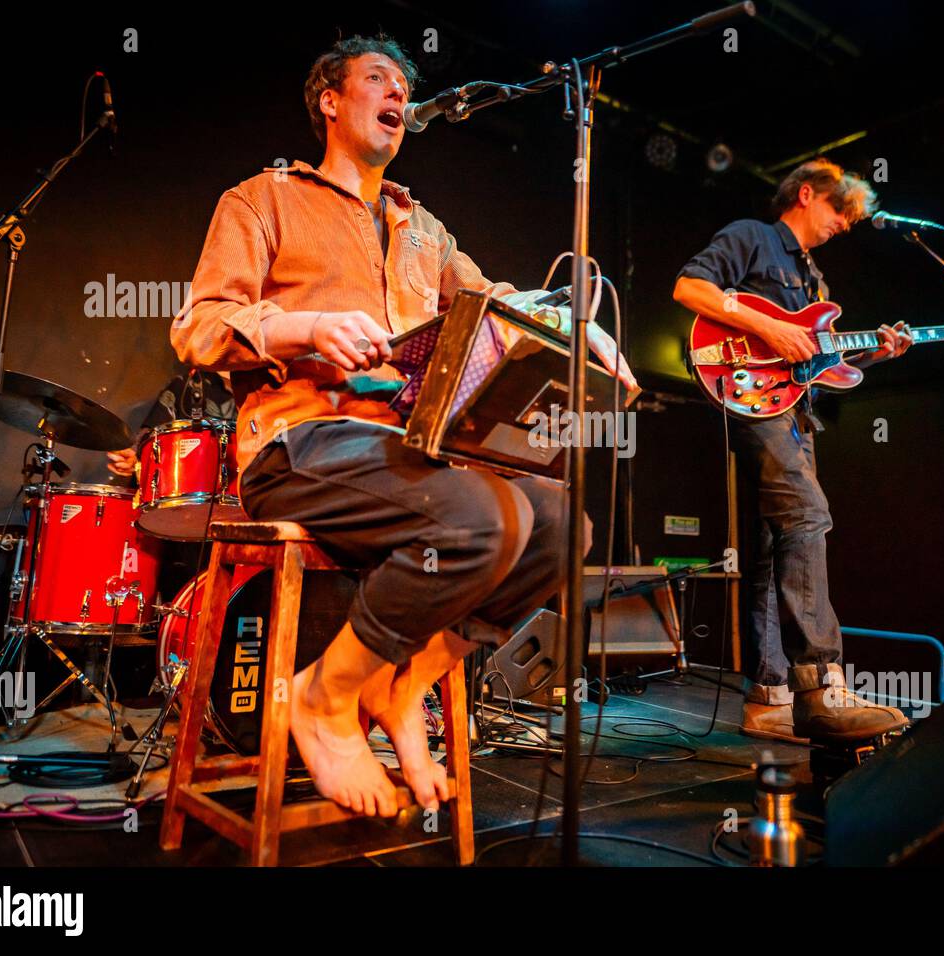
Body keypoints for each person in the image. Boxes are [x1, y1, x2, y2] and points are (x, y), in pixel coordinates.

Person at [172, 34, 635, 816]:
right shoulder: (262, 198)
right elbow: (198, 328)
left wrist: (574, 326)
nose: (400, 95)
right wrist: (307, 328)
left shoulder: (426, 231)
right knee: (482, 517)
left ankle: (401, 684)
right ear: (330, 99)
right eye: (379, 78)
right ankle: (324, 697)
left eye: (405, 87)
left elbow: (497, 306)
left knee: (562, 526)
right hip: (297, 444)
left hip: (406, 452)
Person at [672, 158, 912, 744]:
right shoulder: (752, 237)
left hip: (795, 412)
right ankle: (821, 686)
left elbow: (818, 365)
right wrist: (768, 325)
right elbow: (689, 288)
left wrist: (874, 354)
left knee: (769, 543)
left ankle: (769, 693)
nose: (844, 223)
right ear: (806, 194)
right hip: (751, 399)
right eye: (838, 209)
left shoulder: (817, 283)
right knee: (807, 514)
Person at [105, 369, 235, 478]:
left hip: (242, 491)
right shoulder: (186, 385)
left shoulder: (247, 392)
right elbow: (151, 436)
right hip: (190, 487)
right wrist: (137, 458)